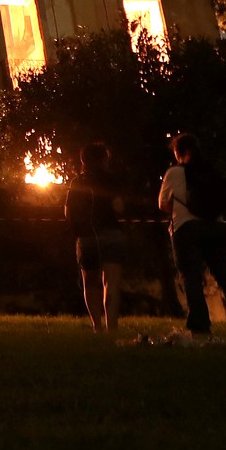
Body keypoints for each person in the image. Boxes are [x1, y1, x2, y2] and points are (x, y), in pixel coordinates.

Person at [158, 133, 226, 336]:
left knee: (191, 277)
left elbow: (163, 204)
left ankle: (200, 324)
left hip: (187, 228)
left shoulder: (174, 172)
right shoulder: (211, 172)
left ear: (178, 153)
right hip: (216, 227)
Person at [65, 142, 127, 333]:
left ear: (83, 160)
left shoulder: (77, 182)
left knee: (90, 284)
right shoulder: (111, 180)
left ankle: (97, 327)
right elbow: (119, 207)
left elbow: (68, 212)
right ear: (104, 159)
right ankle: (112, 327)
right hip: (112, 234)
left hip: (87, 237)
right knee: (111, 284)